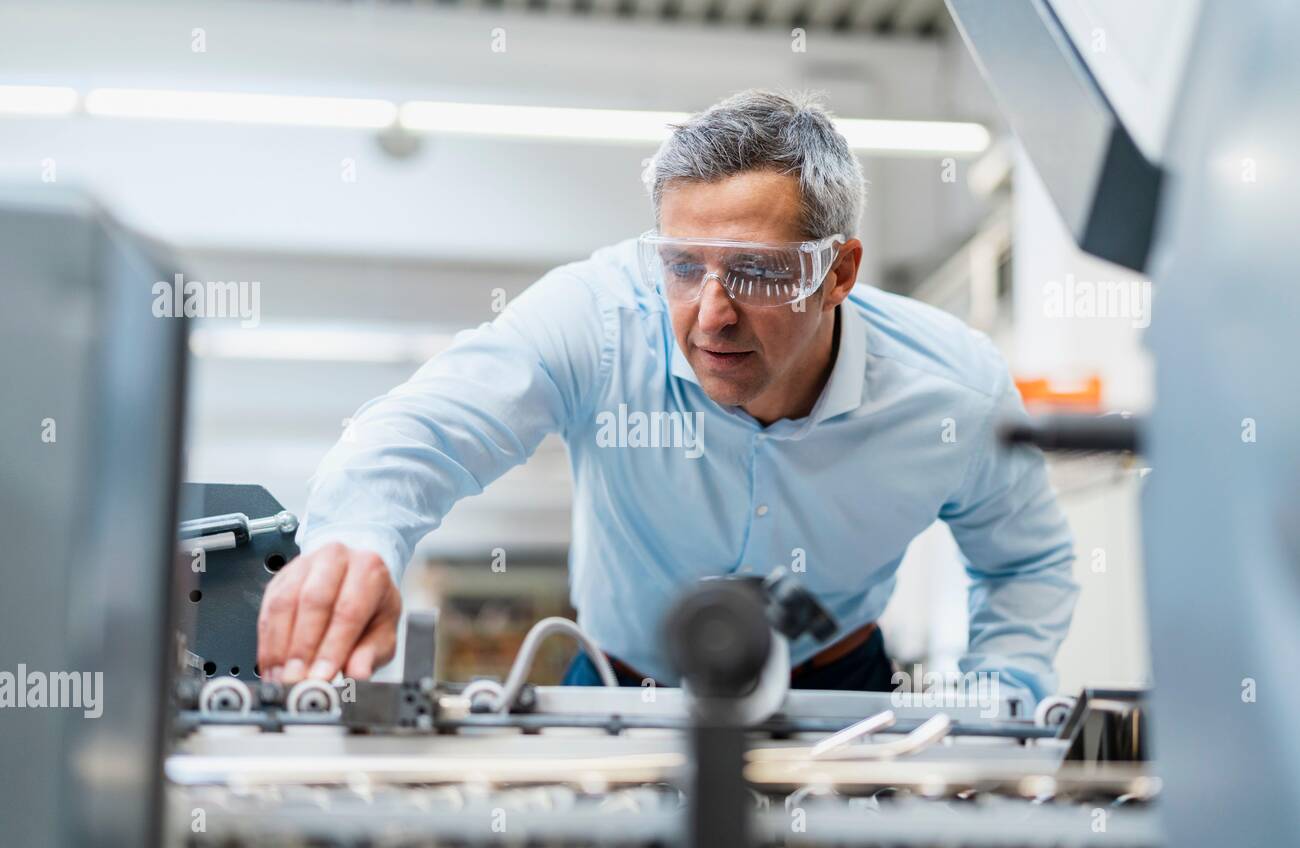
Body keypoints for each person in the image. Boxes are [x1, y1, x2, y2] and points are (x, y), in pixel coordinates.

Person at [256, 89, 1078, 702]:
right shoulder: (599, 316)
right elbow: (427, 428)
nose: (711, 312)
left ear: (840, 272)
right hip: (619, 680)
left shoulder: (953, 393)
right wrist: (355, 538)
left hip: (835, 686)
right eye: (684, 265)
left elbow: (1028, 561)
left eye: (756, 271)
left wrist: (995, 696)